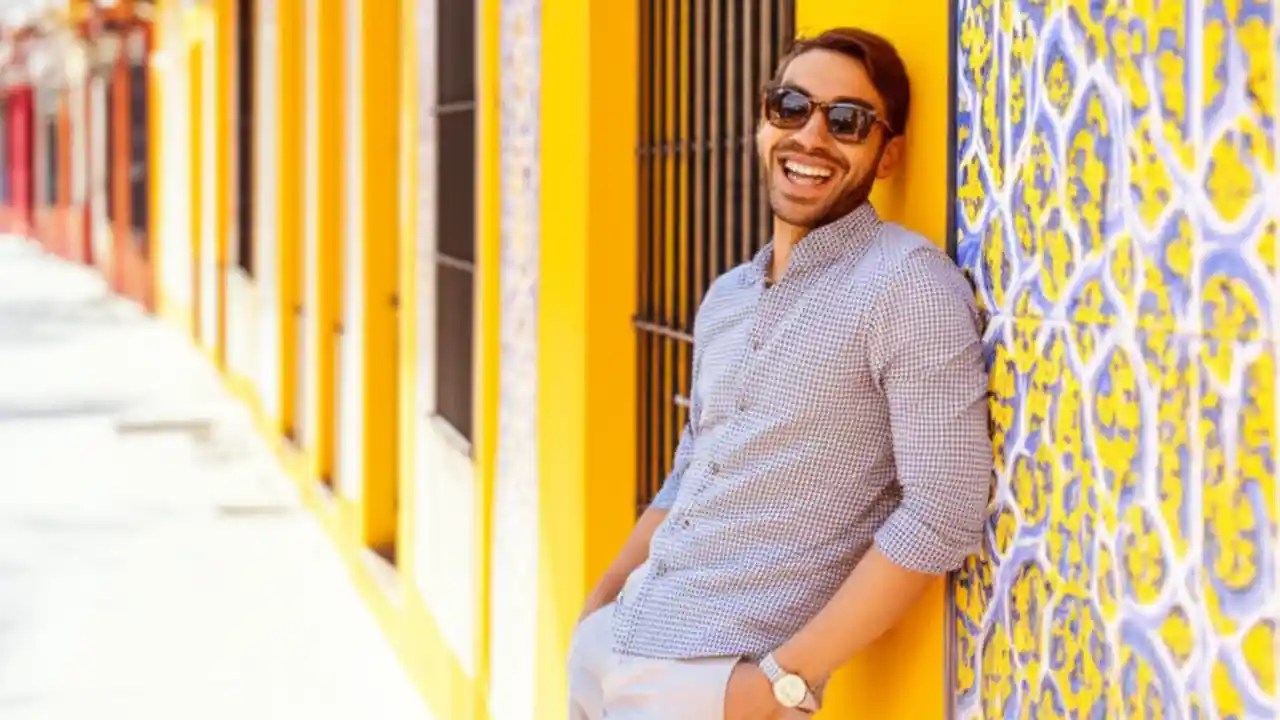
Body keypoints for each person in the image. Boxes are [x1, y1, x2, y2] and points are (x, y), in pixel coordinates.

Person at [567, 26, 992, 719]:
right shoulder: (726, 296)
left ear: (888, 155)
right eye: (790, 107)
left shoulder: (906, 285)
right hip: (612, 645)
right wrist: (601, 601)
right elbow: (693, 463)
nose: (811, 136)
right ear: (764, 124)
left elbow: (942, 510)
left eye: (847, 121)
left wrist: (779, 685)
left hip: (715, 685)